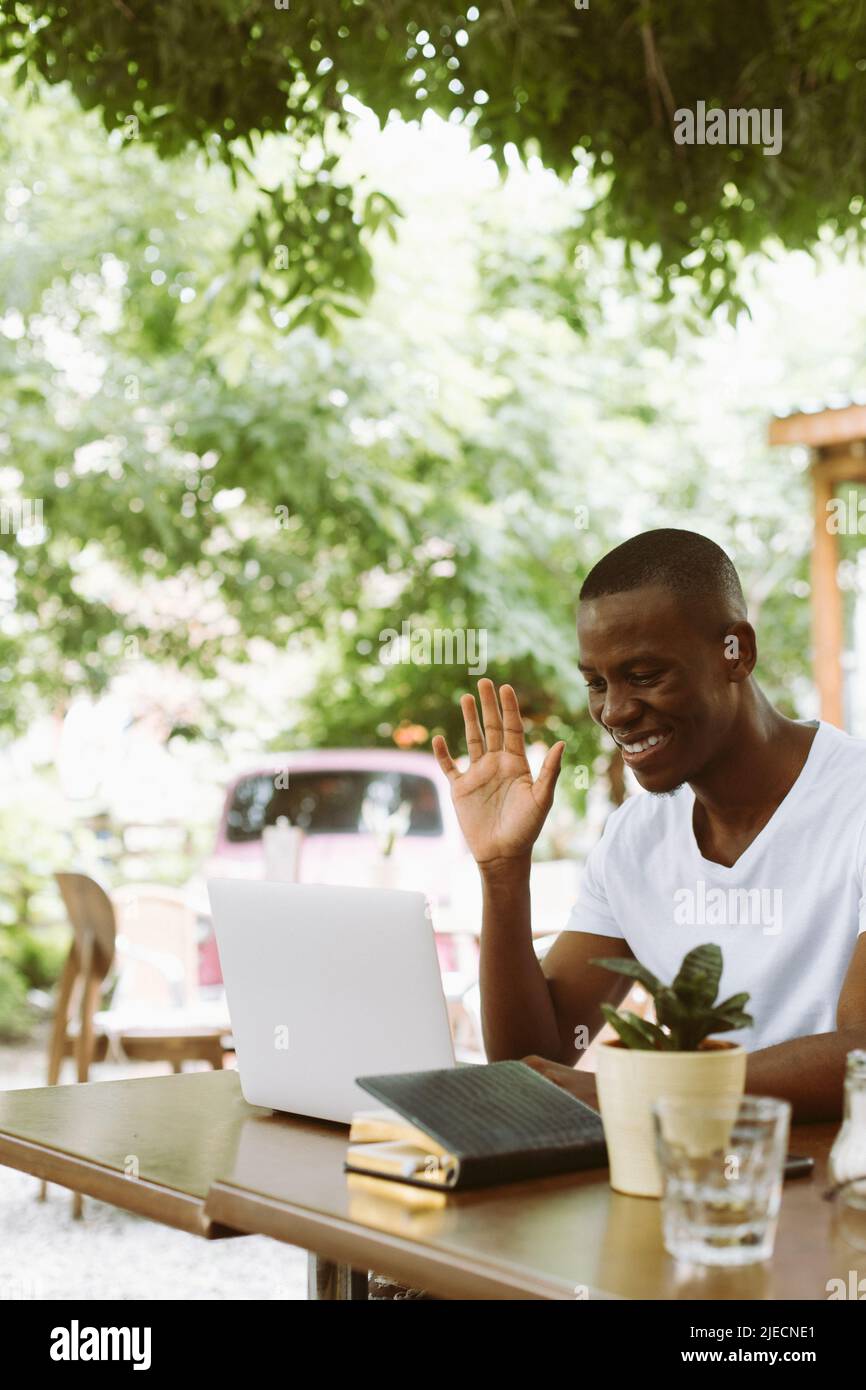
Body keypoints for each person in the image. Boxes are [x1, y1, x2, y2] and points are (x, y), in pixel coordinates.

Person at [432, 528, 866, 1120]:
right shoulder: (635, 837)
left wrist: (649, 1093)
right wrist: (503, 871)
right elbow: (533, 1061)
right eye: (597, 682)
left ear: (735, 651)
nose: (614, 711)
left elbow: (862, 1055)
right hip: (687, 1180)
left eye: (644, 674)